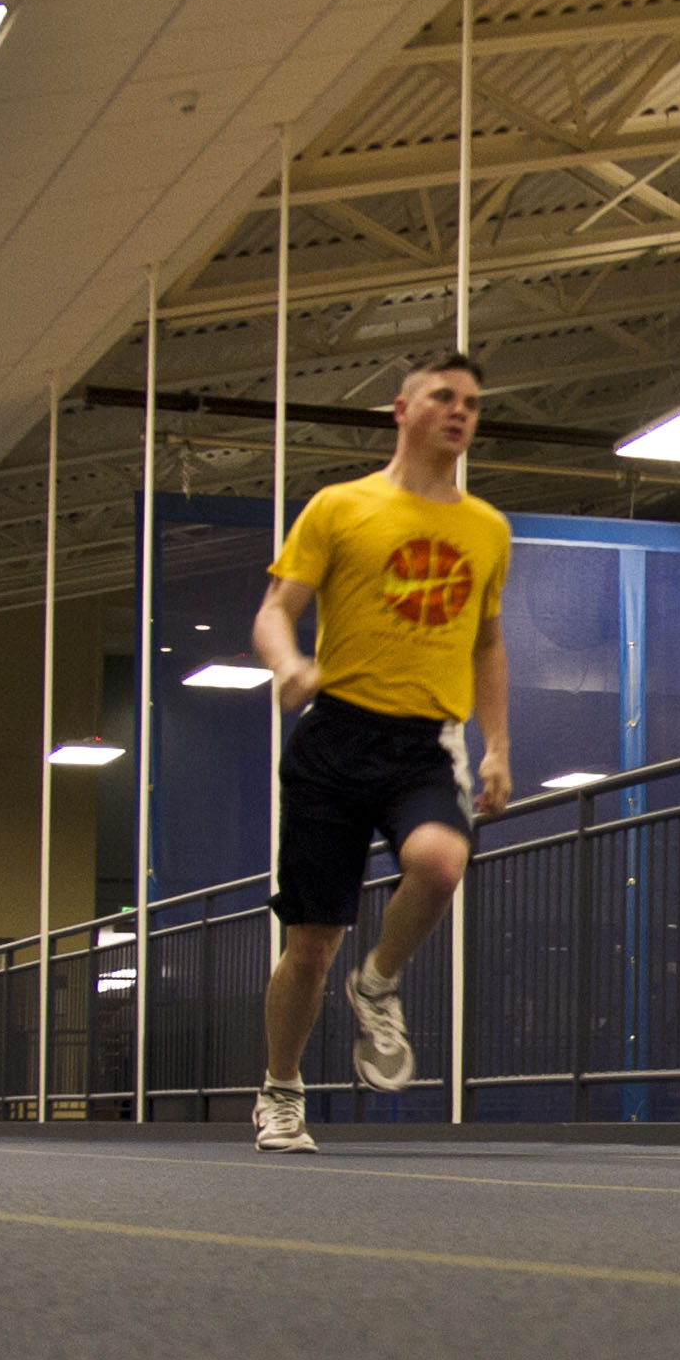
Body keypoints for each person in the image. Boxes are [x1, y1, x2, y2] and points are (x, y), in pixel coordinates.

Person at [243, 348, 514, 1153]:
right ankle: (282, 1090)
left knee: (439, 862)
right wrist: (289, 665)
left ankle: (381, 981)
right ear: (403, 410)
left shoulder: (487, 529)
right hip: (333, 738)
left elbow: (489, 644)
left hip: (423, 743)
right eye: (443, 397)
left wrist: (497, 745)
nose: (460, 411)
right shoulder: (339, 508)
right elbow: (273, 611)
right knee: (310, 945)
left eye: (471, 401)